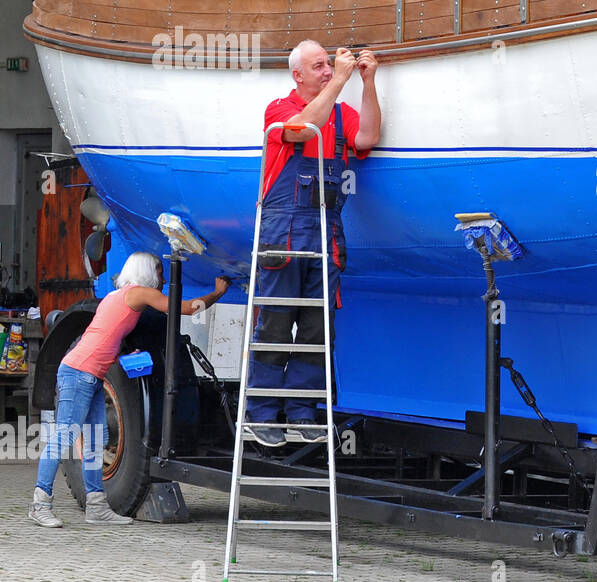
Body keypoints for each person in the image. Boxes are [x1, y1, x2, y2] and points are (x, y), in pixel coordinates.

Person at [30, 252, 229, 527]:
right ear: (148, 272)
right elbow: (187, 308)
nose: (162, 278)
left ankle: (97, 507)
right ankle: (39, 504)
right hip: (80, 373)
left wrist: (123, 357)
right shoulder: (139, 294)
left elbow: (102, 337)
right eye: (160, 272)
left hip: (89, 373)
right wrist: (217, 292)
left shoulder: (115, 296)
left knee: (95, 442)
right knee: (65, 437)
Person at [246, 39, 380, 447]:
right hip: (284, 230)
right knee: (274, 323)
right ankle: (262, 413)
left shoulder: (342, 115)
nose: (327, 70)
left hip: (326, 230)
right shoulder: (279, 110)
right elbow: (304, 128)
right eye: (319, 65)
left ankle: (303, 412)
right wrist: (340, 79)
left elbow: (368, 137)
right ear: (298, 75)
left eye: (329, 64)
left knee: (316, 329)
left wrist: (368, 82)